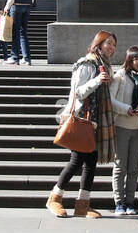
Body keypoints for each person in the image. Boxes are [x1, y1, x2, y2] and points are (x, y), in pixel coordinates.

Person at [46, 31, 117, 219]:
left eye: (114, 45)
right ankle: (55, 197)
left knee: (90, 164)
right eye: (108, 43)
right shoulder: (87, 63)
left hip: (96, 120)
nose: (111, 47)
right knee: (76, 161)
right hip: (82, 119)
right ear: (99, 44)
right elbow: (78, 91)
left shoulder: (105, 65)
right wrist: (97, 81)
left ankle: (83, 204)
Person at [109, 45, 138, 215]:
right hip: (120, 126)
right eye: (137, 58)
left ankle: (130, 202)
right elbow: (110, 100)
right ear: (130, 60)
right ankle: (119, 202)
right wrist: (126, 108)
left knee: (134, 168)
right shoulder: (120, 76)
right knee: (120, 166)